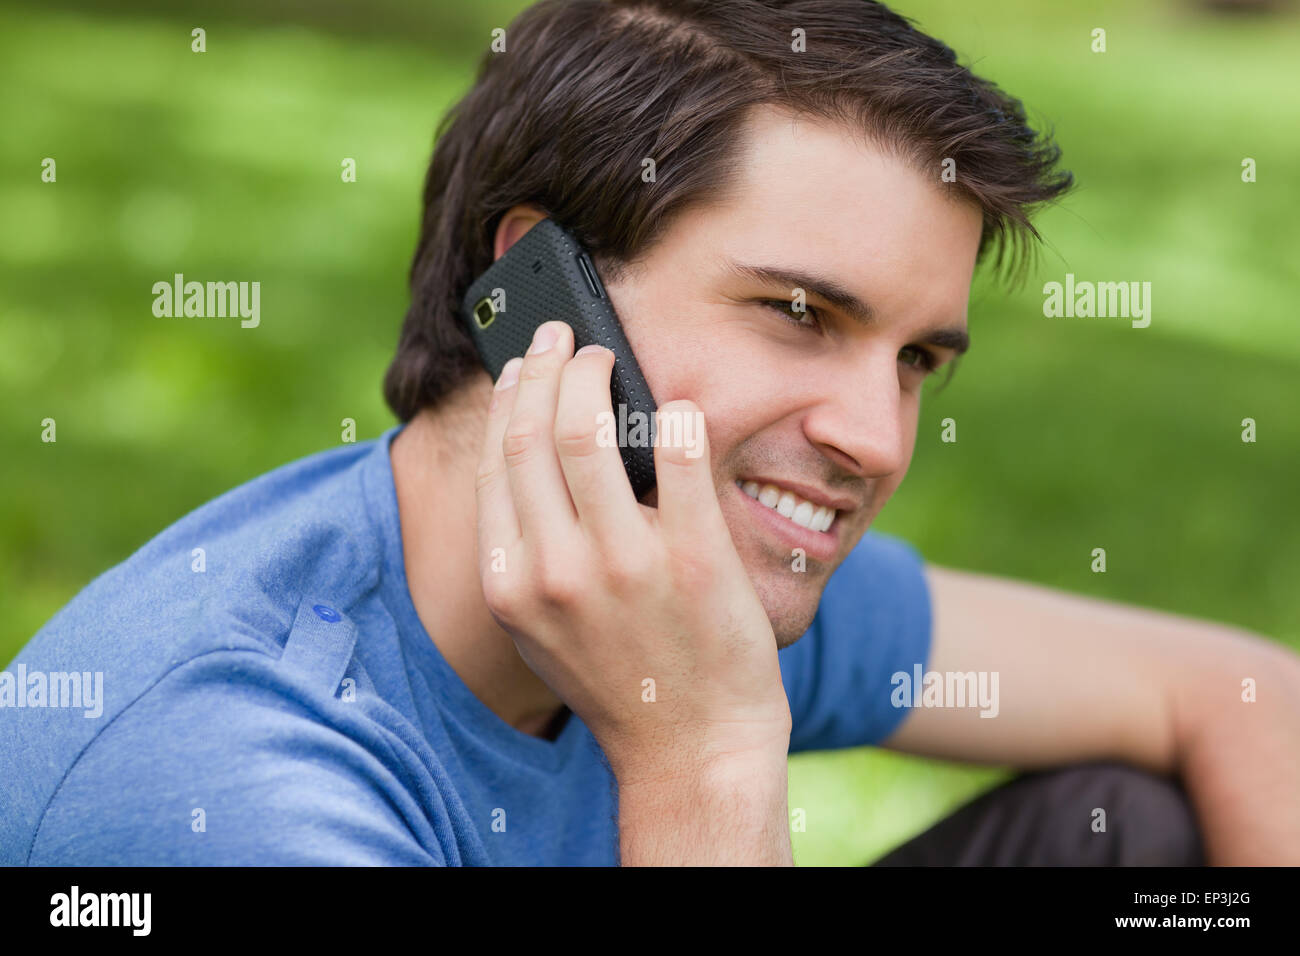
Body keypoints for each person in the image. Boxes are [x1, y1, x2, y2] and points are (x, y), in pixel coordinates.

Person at [3, 0, 1296, 866]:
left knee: (1123, 832)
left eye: (914, 360)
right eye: (798, 312)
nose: (875, 438)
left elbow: (1236, 698)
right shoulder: (234, 786)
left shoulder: (683, 562)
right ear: (540, 305)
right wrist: (708, 752)